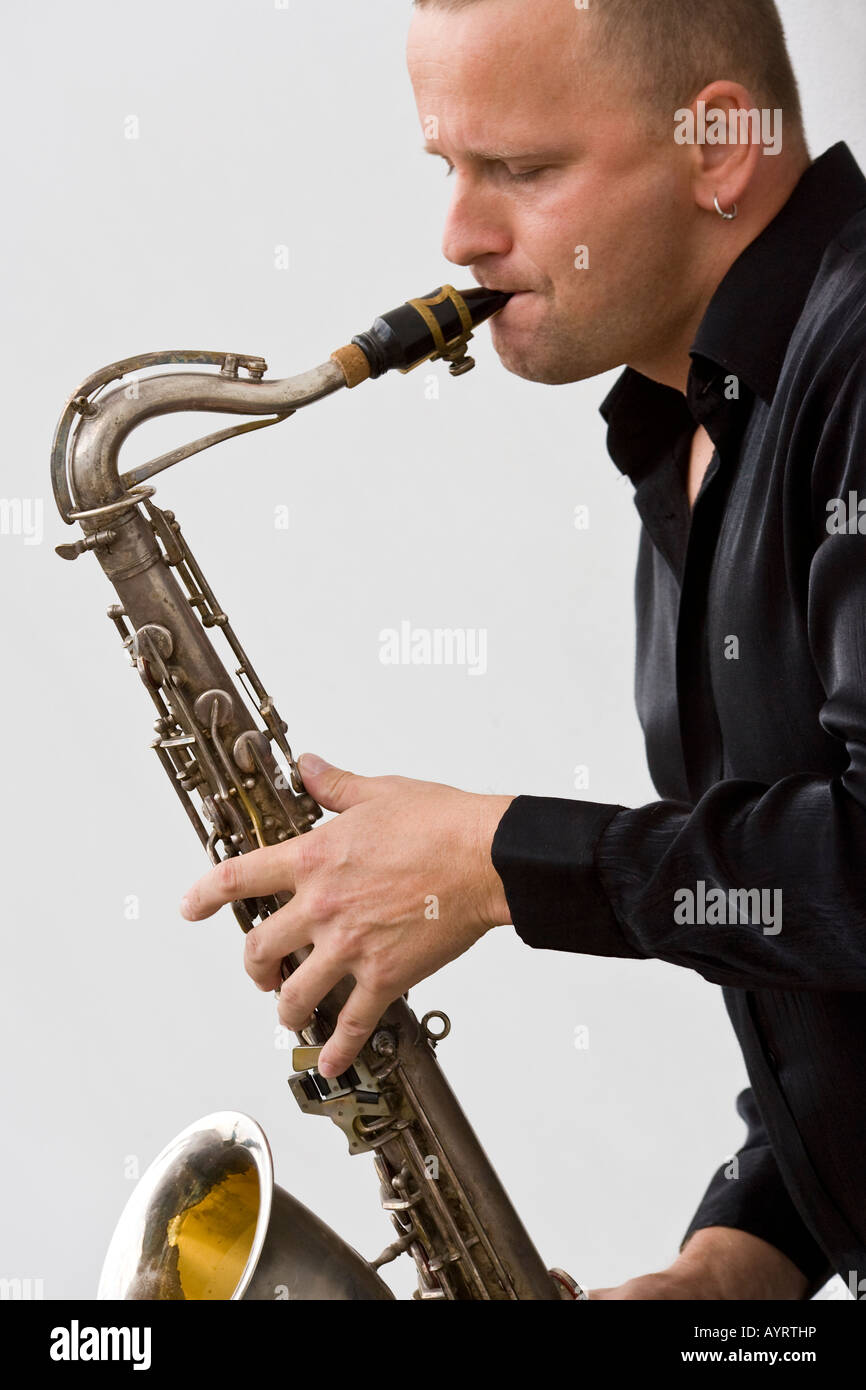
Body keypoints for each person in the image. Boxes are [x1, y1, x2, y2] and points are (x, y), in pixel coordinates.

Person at [180, 0, 866, 1300]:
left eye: (524, 171)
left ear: (718, 146)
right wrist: (739, 1259)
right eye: (450, 166)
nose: (458, 238)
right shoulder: (691, 420)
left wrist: (499, 860)